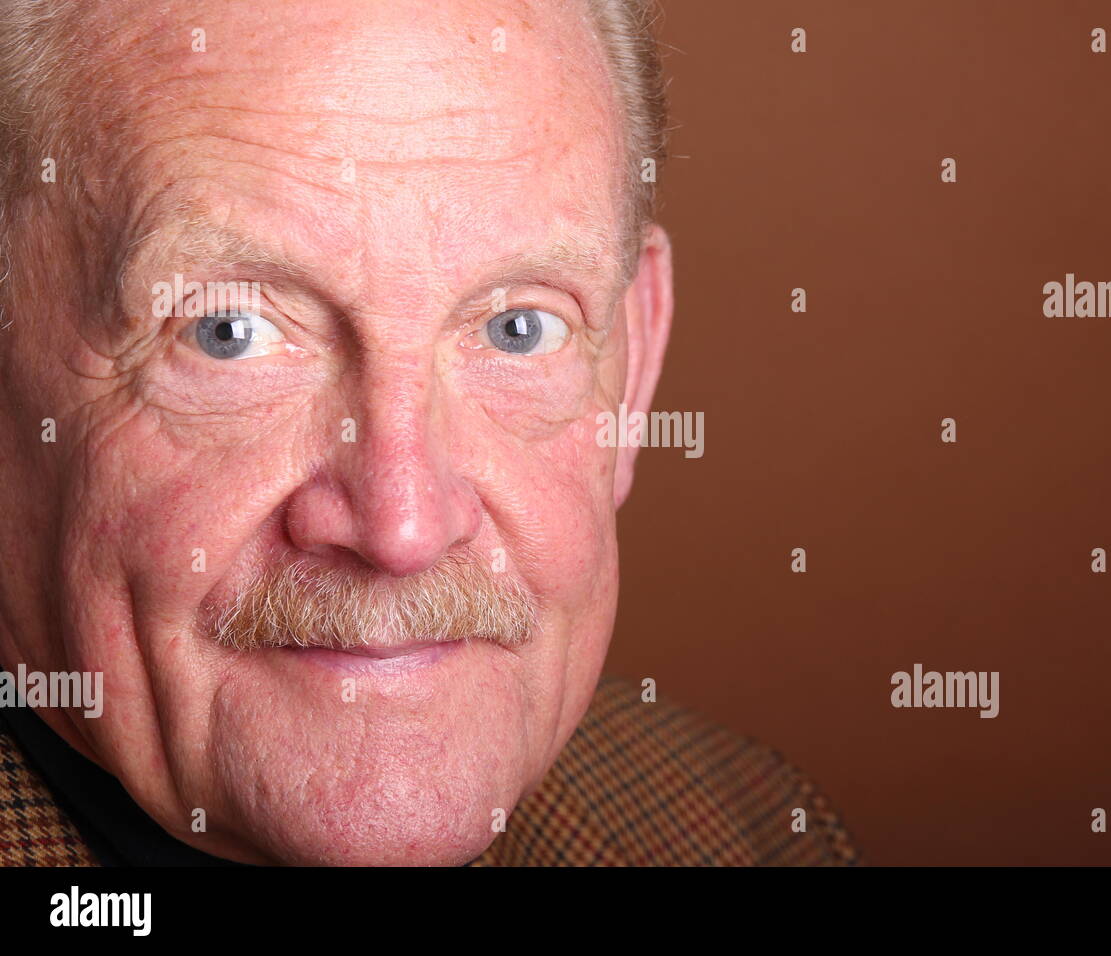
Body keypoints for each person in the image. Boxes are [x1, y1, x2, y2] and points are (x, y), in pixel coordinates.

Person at [0, 0, 858, 866]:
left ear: (631, 379)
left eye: (517, 328)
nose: (403, 528)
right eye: (230, 332)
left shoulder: (749, 828)